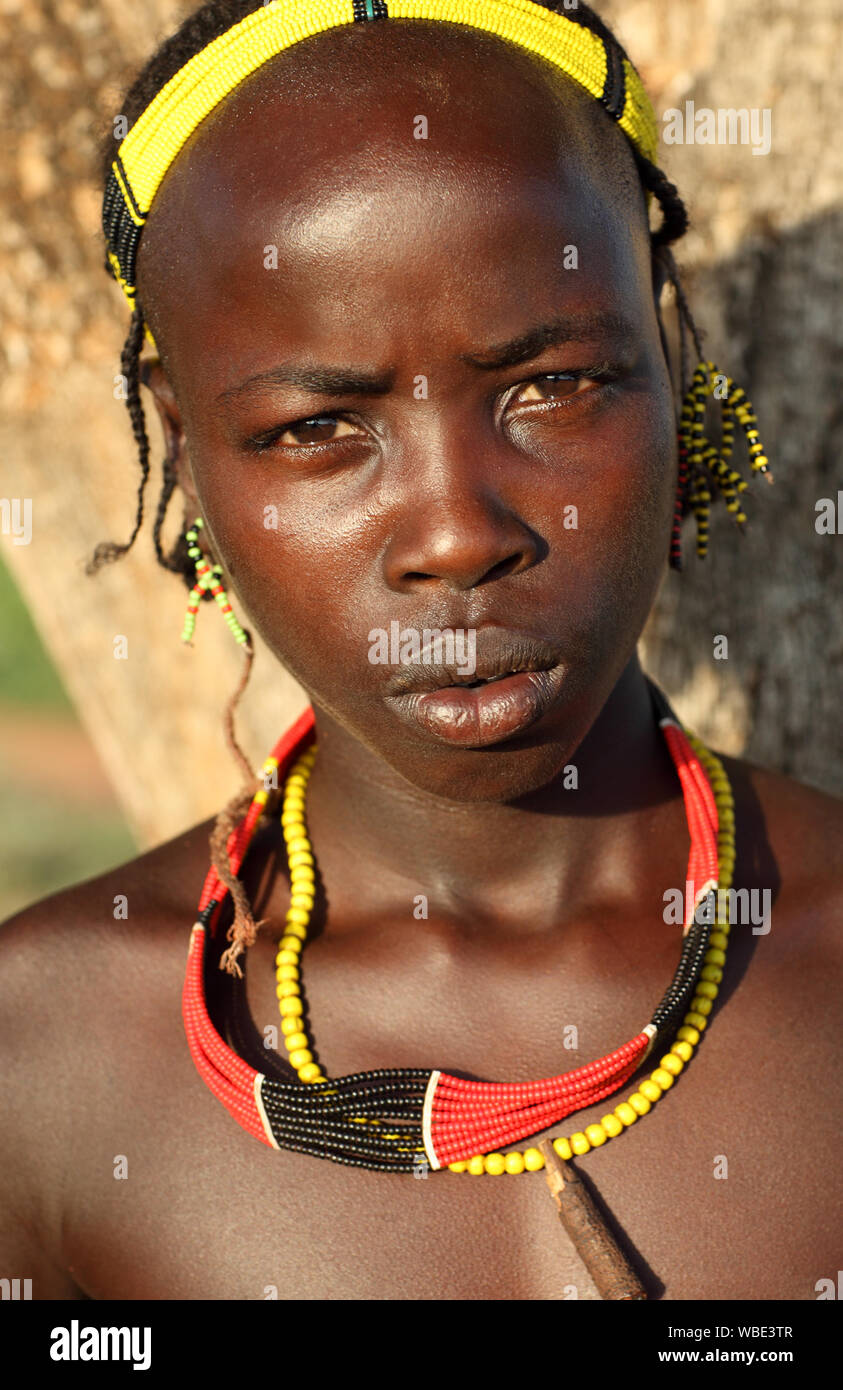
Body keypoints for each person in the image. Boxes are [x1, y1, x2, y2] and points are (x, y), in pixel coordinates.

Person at [1, 0, 840, 1302]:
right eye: (318, 427)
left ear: (673, 364)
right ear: (182, 453)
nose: (456, 535)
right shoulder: (42, 1053)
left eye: (552, 384)